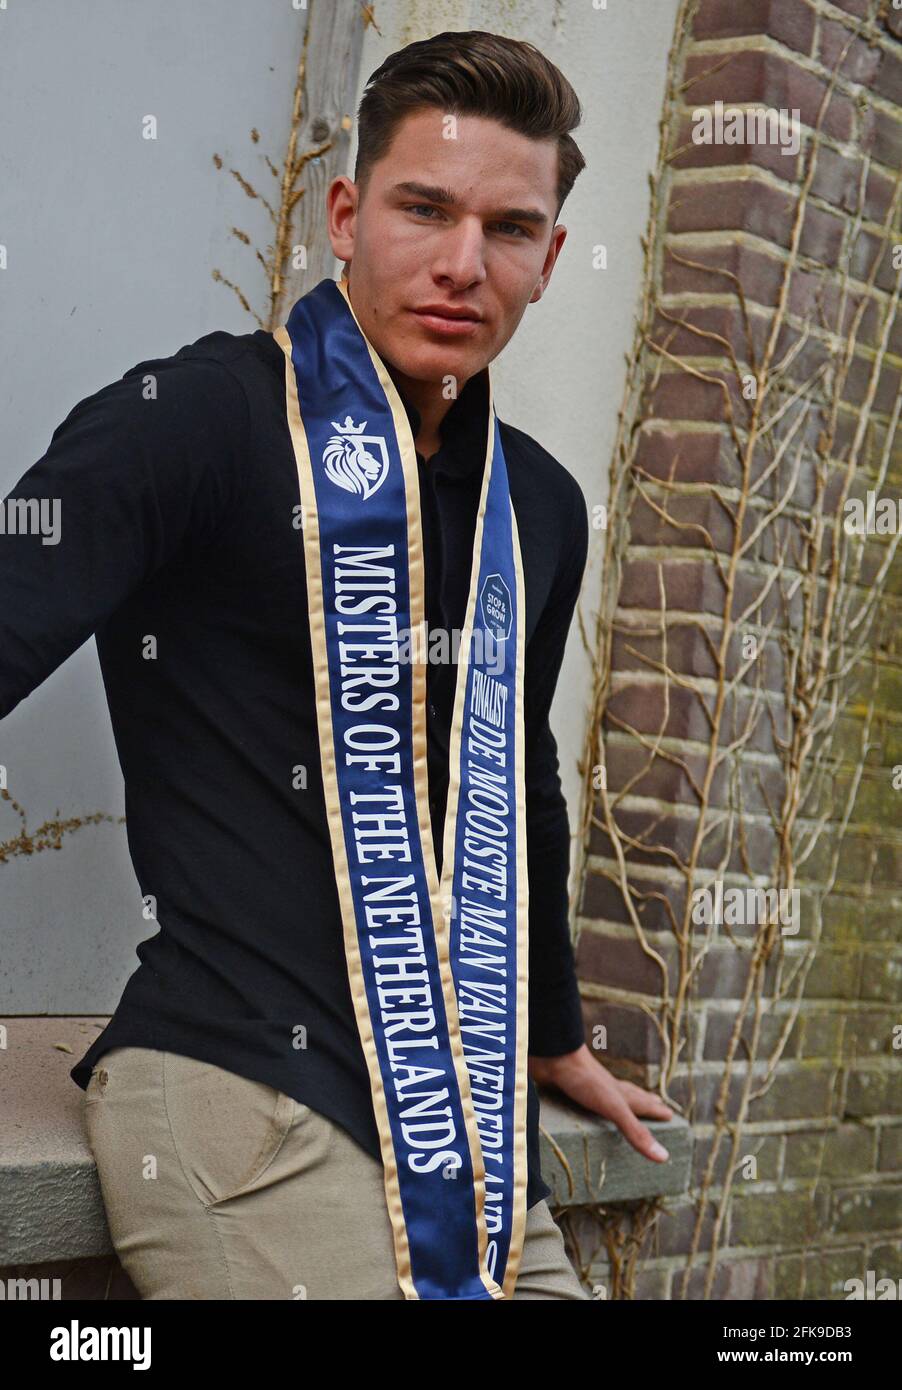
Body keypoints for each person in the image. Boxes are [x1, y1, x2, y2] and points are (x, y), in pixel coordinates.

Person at [0, 29, 672, 1300]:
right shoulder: (196, 423)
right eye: (424, 209)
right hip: (243, 1096)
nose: (463, 263)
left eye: (509, 229)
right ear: (347, 217)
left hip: (468, 1130)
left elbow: (513, 782)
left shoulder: (532, 506)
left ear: (549, 260)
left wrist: (548, 1029)